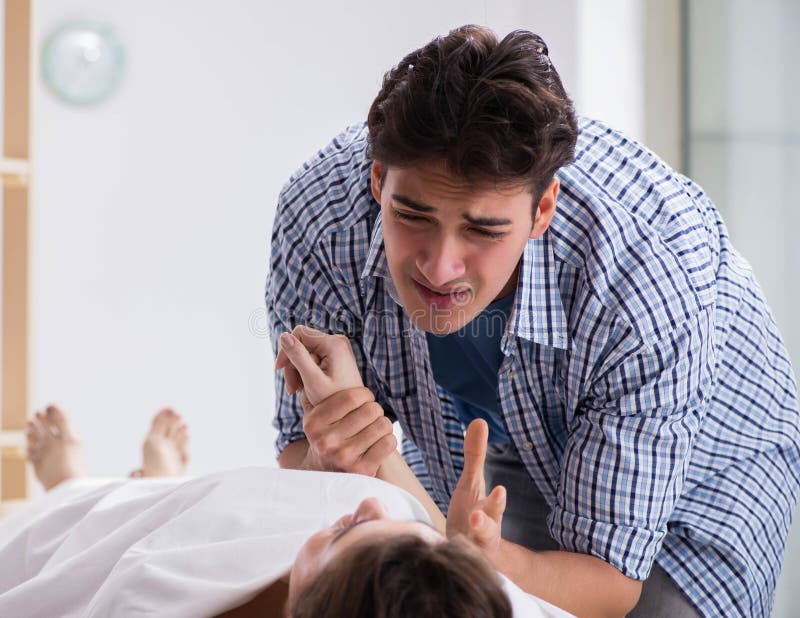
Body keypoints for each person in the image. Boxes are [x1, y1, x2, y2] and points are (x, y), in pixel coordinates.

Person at [266, 23, 800, 618]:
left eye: (483, 230)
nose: (440, 268)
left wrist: (483, 556)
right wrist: (334, 446)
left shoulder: (644, 277)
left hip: (699, 477)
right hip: (473, 446)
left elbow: (607, 580)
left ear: (542, 208)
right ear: (376, 181)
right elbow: (301, 455)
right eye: (412, 215)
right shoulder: (319, 219)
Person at [1, 405, 564, 618]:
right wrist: (467, 549)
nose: (365, 501)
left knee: (96, 526)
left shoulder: (148, 593)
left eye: (345, 533)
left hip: (173, 547)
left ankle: (75, 483)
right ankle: (163, 482)